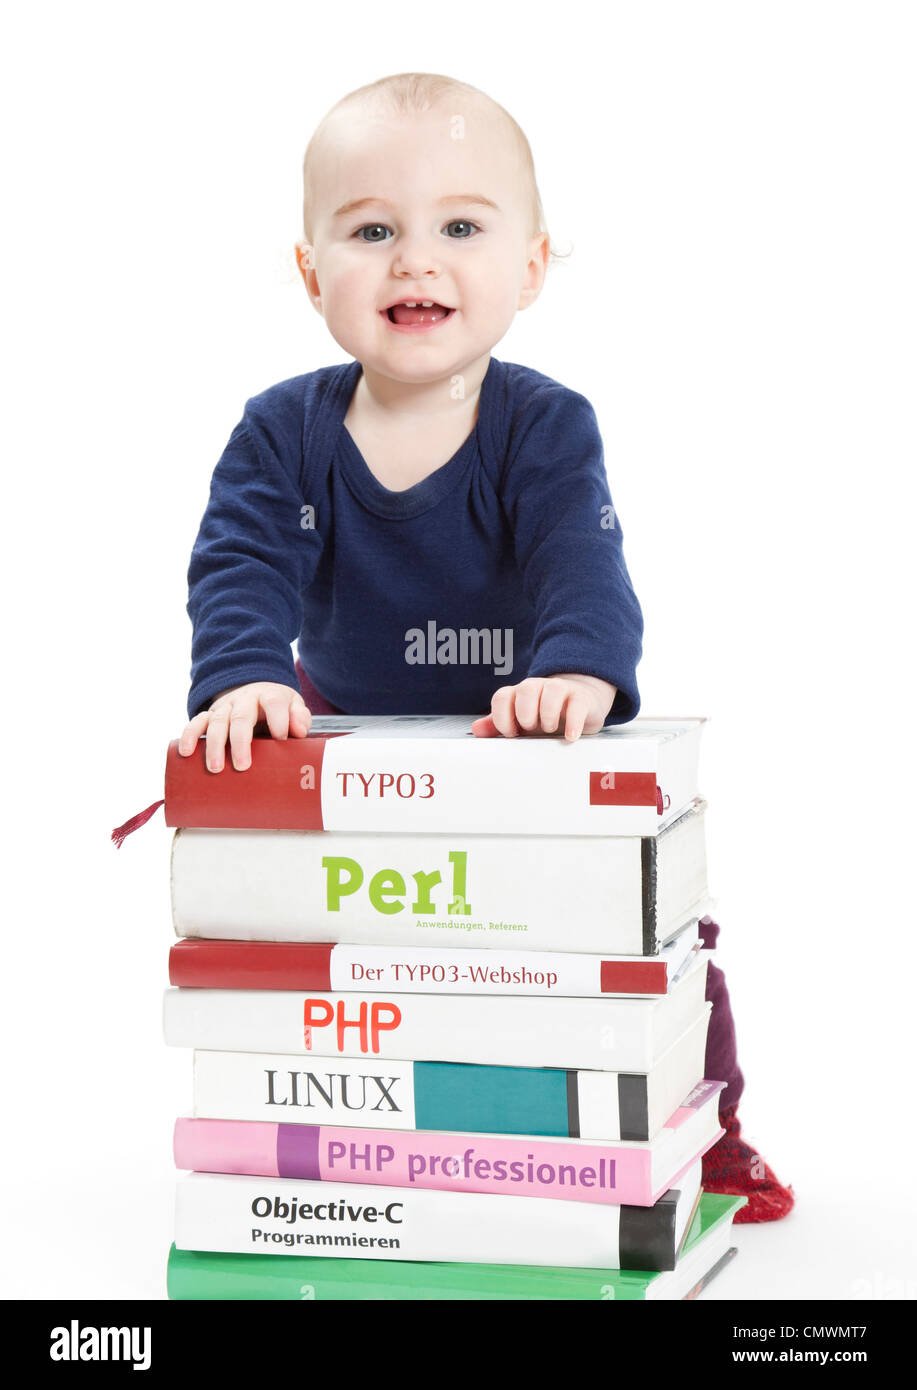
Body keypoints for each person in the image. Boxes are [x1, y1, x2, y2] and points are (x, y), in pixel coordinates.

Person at [178, 71, 792, 1223]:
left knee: (657, 939)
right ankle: (384, 1140)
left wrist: (573, 667)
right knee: (371, 951)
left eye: (460, 226)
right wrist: (245, 672)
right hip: (360, 740)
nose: (415, 261)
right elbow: (238, 562)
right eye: (372, 231)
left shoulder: (542, 425)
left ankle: (707, 1129)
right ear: (312, 275)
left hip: (526, 746)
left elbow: (580, 561)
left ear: (529, 266)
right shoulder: (282, 432)